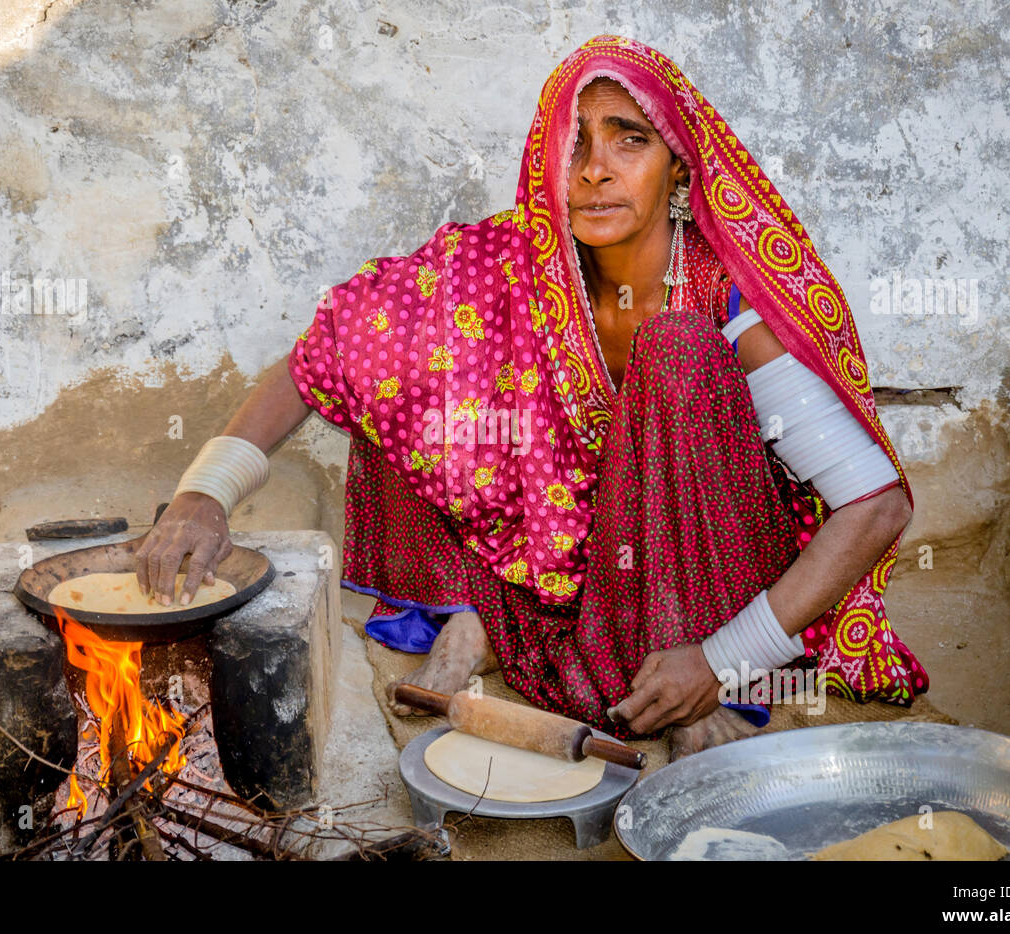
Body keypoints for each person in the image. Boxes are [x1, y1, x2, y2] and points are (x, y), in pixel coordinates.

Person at [135, 35, 929, 759]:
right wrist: (205, 493)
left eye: (630, 139)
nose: (594, 168)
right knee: (419, 340)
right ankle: (475, 615)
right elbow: (328, 351)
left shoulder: (728, 294)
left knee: (678, 349)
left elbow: (875, 505)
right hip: (568, 563)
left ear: (680, 166)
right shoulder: (511, 265)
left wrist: (725, 661)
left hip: (709, 575)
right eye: (574, 141)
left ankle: (681, 686)